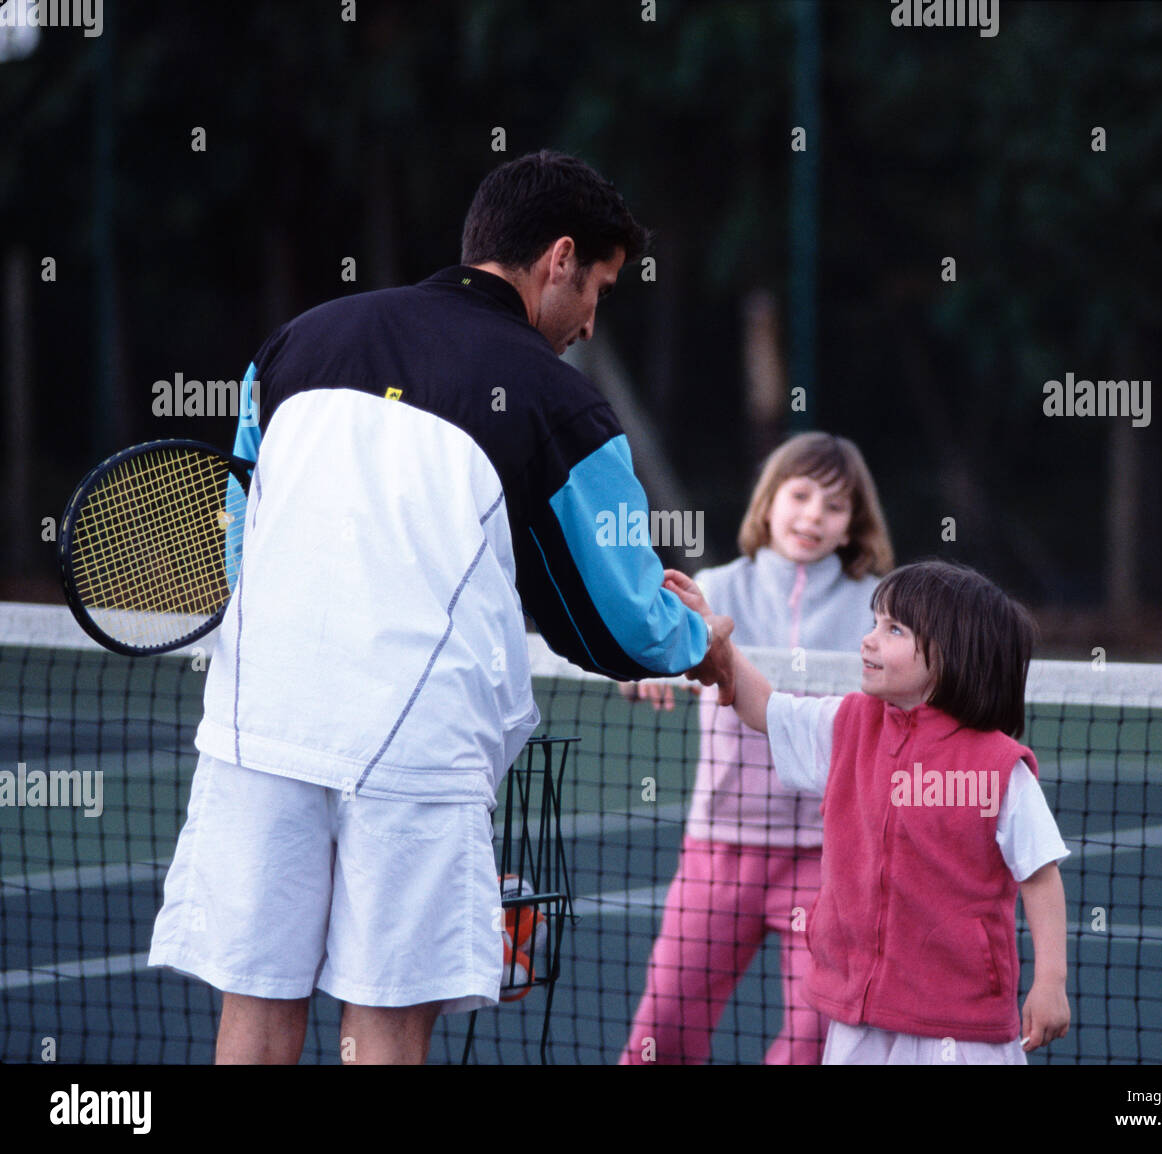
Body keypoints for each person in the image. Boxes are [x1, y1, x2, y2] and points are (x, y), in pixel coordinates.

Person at [147, 150, 735, 1065]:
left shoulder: (295, 342)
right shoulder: (560, 406)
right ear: (560, 257)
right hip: (412, 758)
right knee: (385, 1021)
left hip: (253, 728)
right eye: (600, 291)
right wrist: (698, 638)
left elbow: (238, 543)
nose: (588, 322)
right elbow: (617, 628)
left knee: (255, 1008)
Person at [670, 559, 1071, 1064]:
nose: (869, 639)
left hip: (961, 1030)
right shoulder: (849, 724)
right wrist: (710, 633)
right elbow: (764, 709)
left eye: (894, 629)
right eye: (874, 622)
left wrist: (1050, 981)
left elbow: (1039, 874)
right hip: (857, 1016)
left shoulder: (999, 767)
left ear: (950, 654)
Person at [619, 433, 894, 1064]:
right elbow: (644, 651)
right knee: (663, 1033)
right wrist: (645, 675)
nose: (813, 517)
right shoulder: (714, 587)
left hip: (829, 863)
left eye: (834, 506)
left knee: (818, 1044)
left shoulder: (877, 607)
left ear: (854, 524)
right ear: (769, 502)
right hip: (719, 849)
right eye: (800, 496)